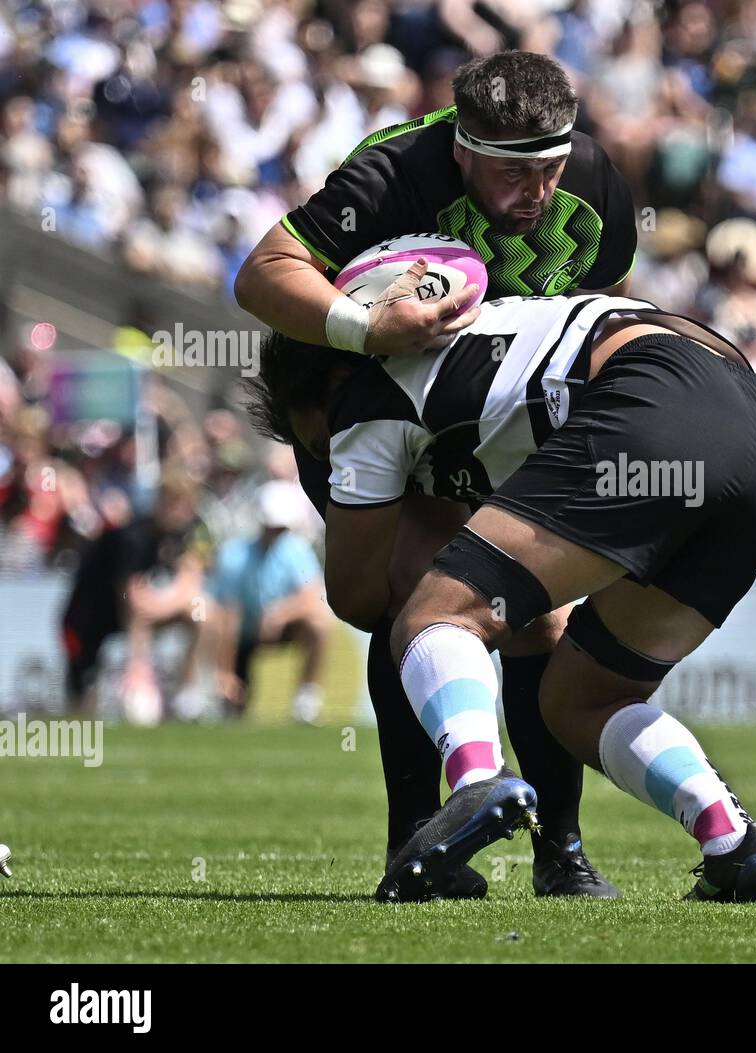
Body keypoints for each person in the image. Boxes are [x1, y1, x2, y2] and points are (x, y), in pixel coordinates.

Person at [234, 50, 637, 897]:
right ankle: (416, 843)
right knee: (401, 599)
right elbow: (262, 274)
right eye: (511, 171)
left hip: (490, 417)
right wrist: (370, 328)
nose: (537, 191)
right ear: (461, 148)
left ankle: (559, 852)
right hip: (364, 403)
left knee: (539, 618)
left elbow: (598, 301)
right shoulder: (394, 173)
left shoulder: (596, 187)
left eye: (550, 167)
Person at [247, 285, 756, 902]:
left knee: (433, 616)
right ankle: (733, 840)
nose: (327, 464)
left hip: (655, 397)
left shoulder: (364, 393)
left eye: (320, 445)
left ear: (332, 381)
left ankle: (478, 778)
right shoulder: (474, 342)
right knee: (584, 699)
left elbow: (354, 596)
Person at [61, 467, 211, 716]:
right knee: (82, 697)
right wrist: (167, 601)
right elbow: (131, 598)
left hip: (128, 613)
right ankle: (135, 684)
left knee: (201, 612)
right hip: (89, 617)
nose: (185, 513)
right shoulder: (135, 537)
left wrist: (170, 601)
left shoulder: (184, 533)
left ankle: (185, 695)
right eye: (178, 504)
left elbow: (190, 583)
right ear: (164, 502)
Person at [206, 481, 332, 723]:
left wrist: (280, 613)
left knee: (319, 625)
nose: (274, 533)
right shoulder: (235, 554)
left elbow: (313, 597)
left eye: (279, 528)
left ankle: (306, 700)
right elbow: (228, 617)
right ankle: (225, 694)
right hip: (243, 636)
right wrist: (225, 671)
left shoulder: (296, 550)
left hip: (282, 630)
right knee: (233, 712)